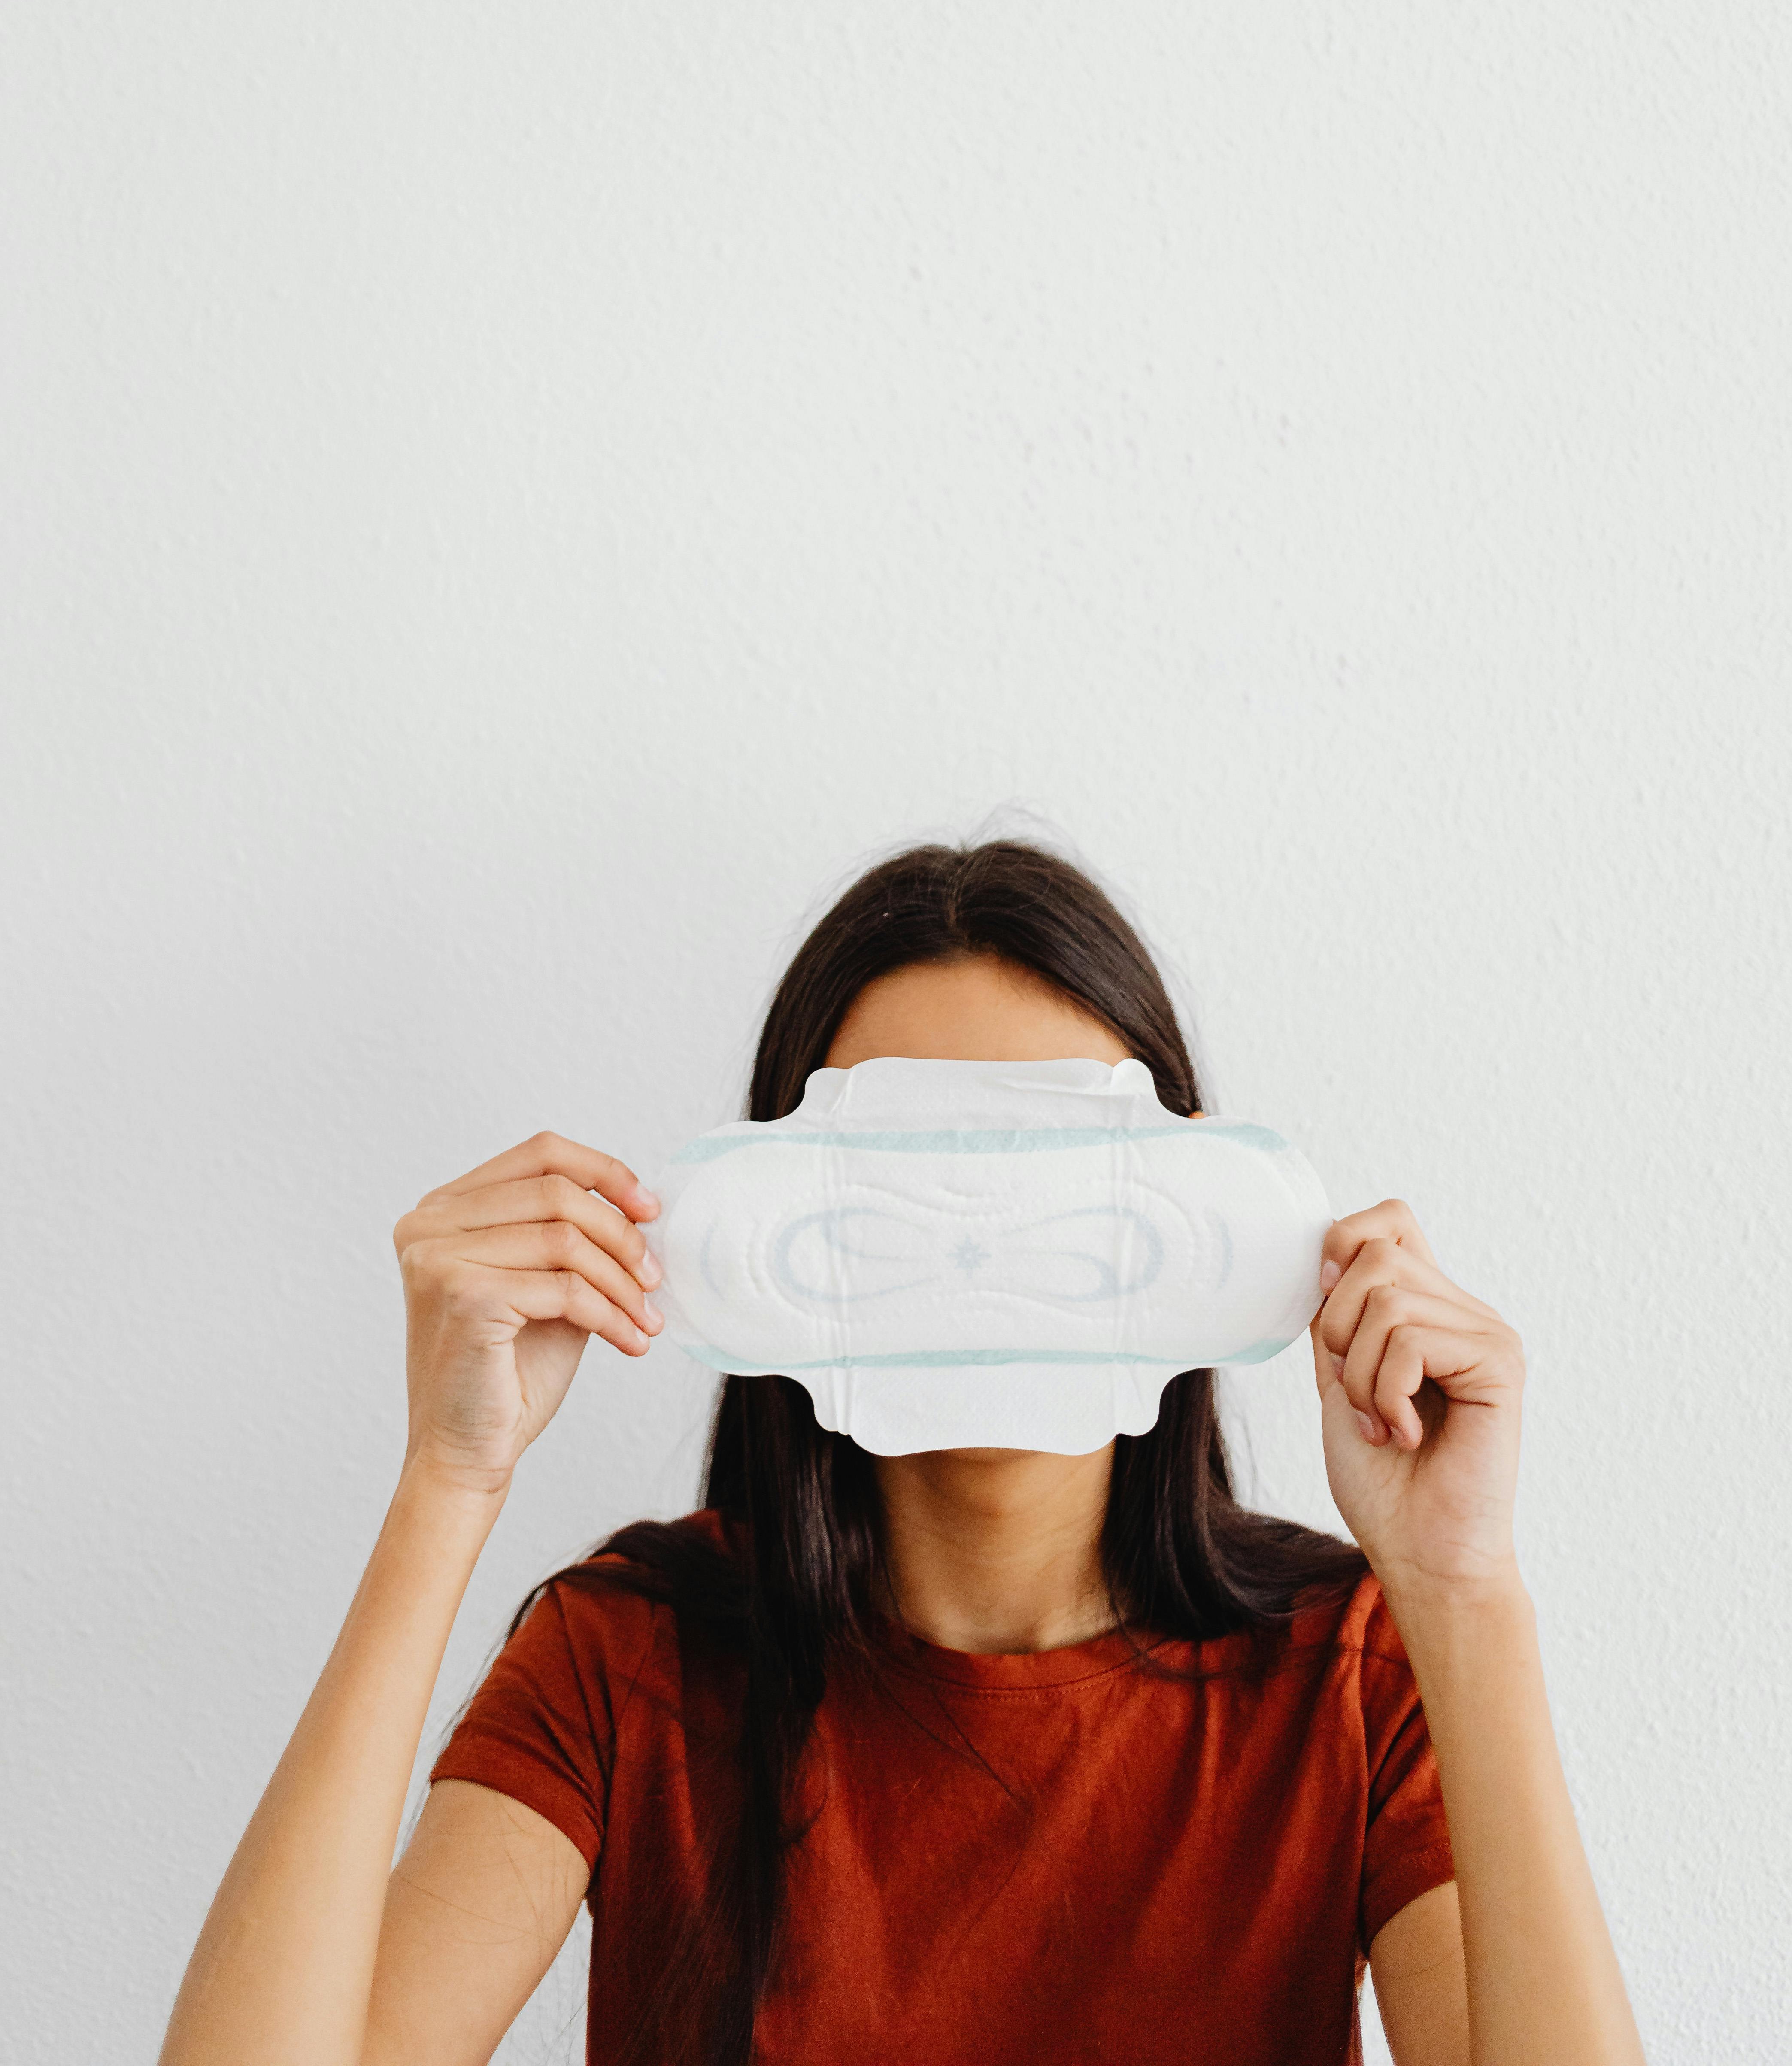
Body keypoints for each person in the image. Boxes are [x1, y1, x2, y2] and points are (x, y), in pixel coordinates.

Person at [159, 840, 1644, 2066]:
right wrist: (448, 1477)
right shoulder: (632, 1661)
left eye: (1062, 1186)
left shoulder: (1346, 1672)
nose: (981, 1247)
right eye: (902, 1183)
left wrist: (1463, 1588)